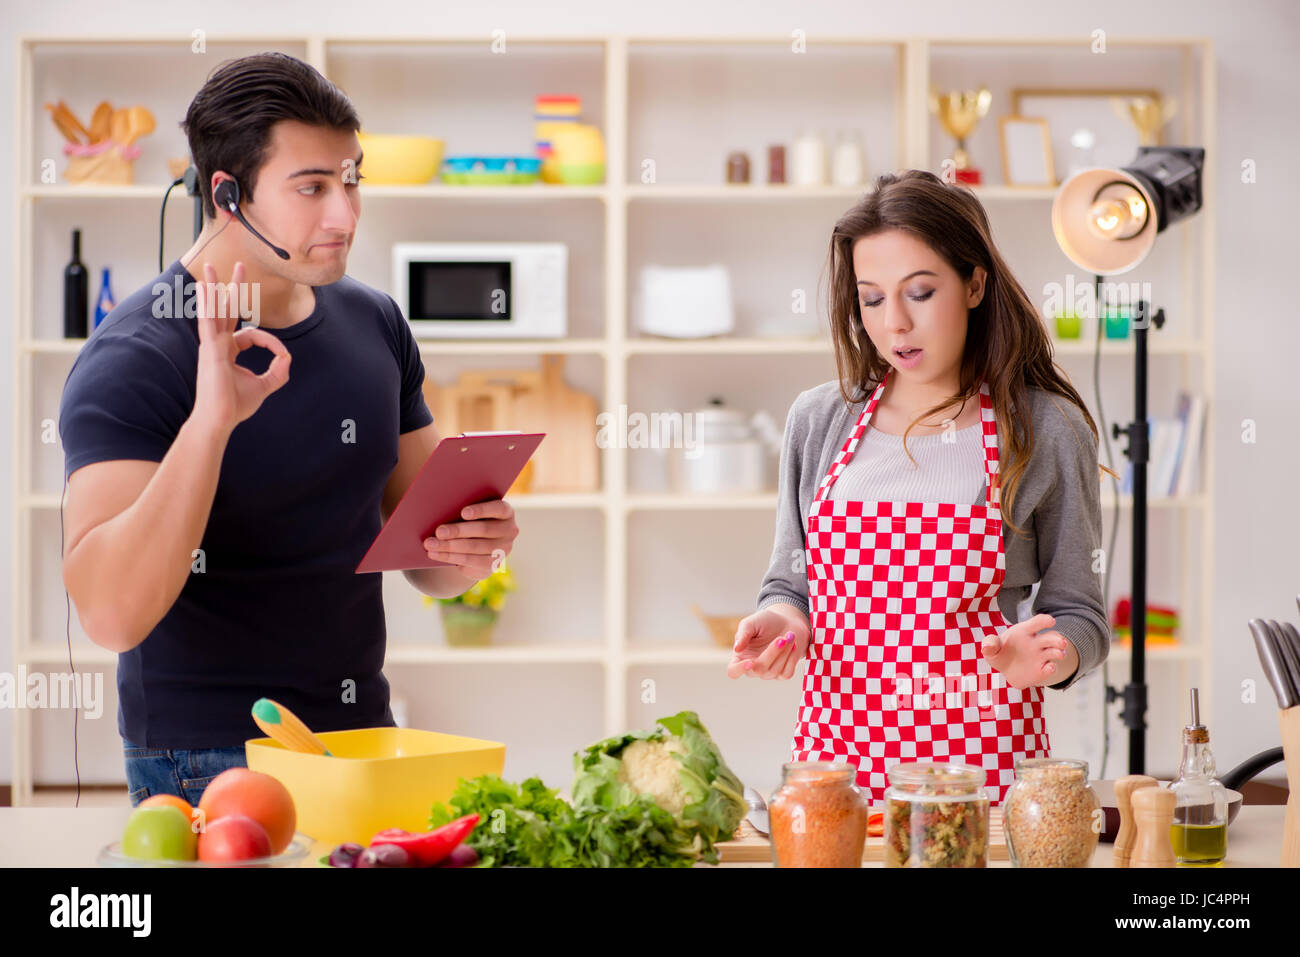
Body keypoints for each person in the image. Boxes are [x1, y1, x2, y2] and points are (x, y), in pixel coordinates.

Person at [58, 53, 519, 807]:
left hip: (360, 733)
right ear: (228, 195)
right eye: (312, 187)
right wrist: (213, 419)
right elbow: (110, 613)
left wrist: (474, 546)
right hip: (209, 758)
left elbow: (430, 562)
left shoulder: (375, 322)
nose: (345, 213)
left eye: (352, 180)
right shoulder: (137, 355)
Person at [728, 169, 1114, 804]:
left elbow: (1083, 617)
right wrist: (781, 623)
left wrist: (1050, 655)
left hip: (985, 776)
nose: (896, 324)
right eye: (873, 299)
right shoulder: (818, 419)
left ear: (974, 284)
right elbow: (791, 583)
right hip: (839, 772)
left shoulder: (1046, 427)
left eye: (921, 292)